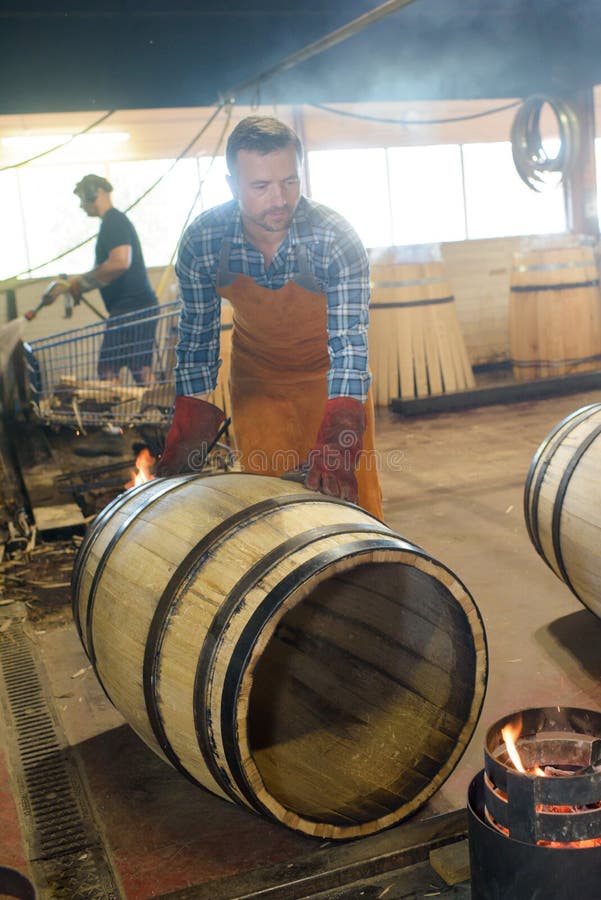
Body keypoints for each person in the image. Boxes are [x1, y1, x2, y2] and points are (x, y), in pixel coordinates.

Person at [158, 116, 383, 519]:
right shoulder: (204, 241)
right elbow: (197, 344)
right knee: (272, 506)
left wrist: (341, 432)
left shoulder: (334, 237)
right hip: (258, 382)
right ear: (232, 186)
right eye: (260, 186)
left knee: (352, 505)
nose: (279, 199)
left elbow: (350, 343)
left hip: (331, 382)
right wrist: (189, 431)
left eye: (290, 181)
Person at [46, 174, 159, 385]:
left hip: (132, 309)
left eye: (82, 198)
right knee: (137, 369)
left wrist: (81, 283)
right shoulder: (112, 222)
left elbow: (119, 263)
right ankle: (160, 417)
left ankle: (156, 417)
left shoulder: (113, 221)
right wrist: (77, 283)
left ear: (93, 192)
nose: (81, 206)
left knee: (111, 370)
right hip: (132, 308)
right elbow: (109, 267)